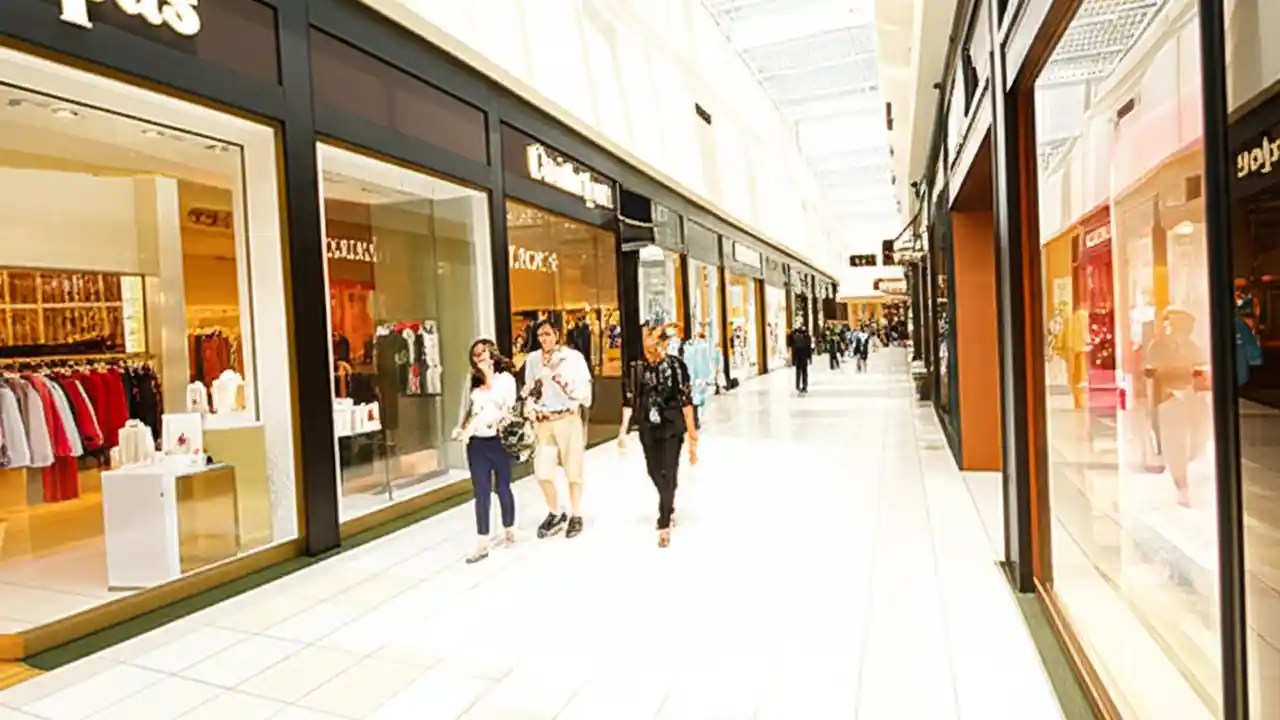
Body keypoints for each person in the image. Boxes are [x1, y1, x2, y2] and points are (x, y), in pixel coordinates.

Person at [619, 324, 698, 548]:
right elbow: (629, 400)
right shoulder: (636, 368)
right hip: (647, 425)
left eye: (656, 340)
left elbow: (686, 400)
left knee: (669, 471)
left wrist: (693, 437)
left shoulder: (676, 366)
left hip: (672, 425)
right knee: (654, 471)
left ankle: (664, 522)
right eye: (648, 339)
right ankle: (669, 503)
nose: (652, 344)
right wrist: (623, 431)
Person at [523, 319, 593, 539]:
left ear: (557, 334)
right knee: (542, 471)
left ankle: (576, 513)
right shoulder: (533, 359)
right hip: (544, 421)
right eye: (540, 335)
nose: (544, 339)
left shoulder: (572, 358)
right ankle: (555, 511)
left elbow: (583, 389)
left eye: (548, 334)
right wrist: (530, 406)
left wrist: (565, 388)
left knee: (574, 469)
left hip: (567, 418)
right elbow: (529, 388)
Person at [453, 339, 518, 563]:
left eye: (483, 352)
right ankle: (482, 541)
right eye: (475, 354)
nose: (479, 357)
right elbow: (467, 410)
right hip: (477, 443)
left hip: (499, 441)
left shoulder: (505, 380)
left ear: (492, 353)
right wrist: (462, 428)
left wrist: (489, 379)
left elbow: (507, 407)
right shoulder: (471, 381)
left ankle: (509, 527)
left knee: (502, 487)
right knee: (481, 491)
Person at [790, 325, 813, 394]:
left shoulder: (795, 339)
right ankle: (804, 385)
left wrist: (793, 360)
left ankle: (797, 385)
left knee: (798, 372)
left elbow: (794, 350)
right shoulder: (807, 339)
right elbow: (809, 349)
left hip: (798, 358)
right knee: (804, 372)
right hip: (804, 358)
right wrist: (810, 358)